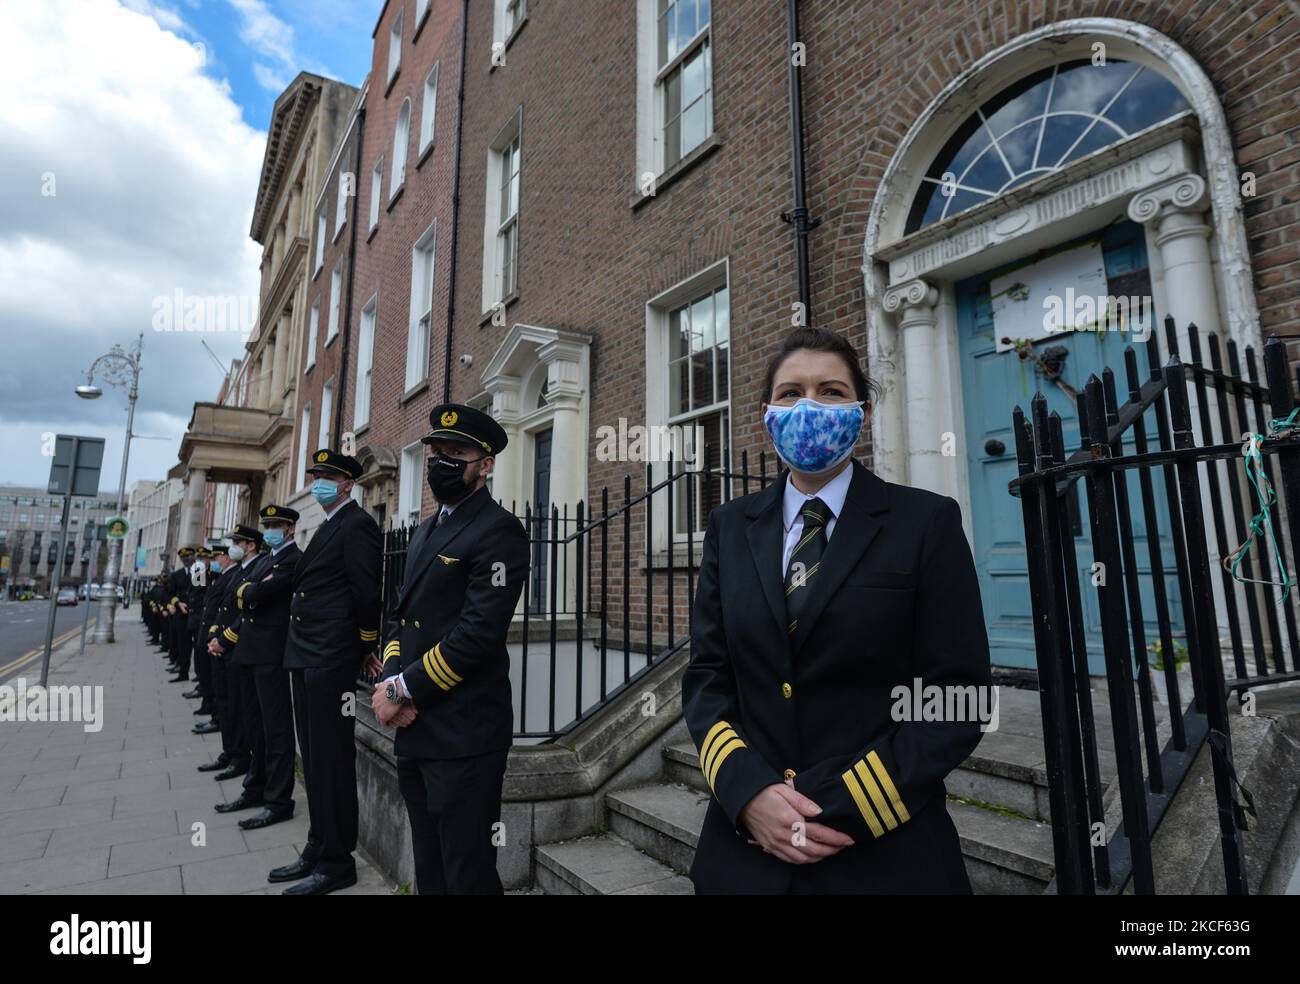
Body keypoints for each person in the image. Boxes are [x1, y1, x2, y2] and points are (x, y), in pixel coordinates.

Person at [682, 327, 992, 894]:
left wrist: (829, 807)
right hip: (745, 854)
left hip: (880, 849)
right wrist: (747, 793)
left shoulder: (925, 523)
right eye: (790, 393)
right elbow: (708, 675)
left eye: (830, 391)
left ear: (862, 412)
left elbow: (956, 696)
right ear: (766, 415)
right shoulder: (730, 527)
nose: (809, 407)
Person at [373, 404, 528, 895]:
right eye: (436, 450)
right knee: (430, 871)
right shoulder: (425, 530)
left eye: (456, 452)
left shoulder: (499, 530)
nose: (441, 460)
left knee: (468, 874)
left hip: (465, 737)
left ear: (485, 464)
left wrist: (401, 688)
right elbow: (402, 618)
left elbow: (477, 634)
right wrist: (390, 679)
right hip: (416, 732)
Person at [271, 450, 381, 895]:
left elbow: (366, 592)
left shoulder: (358, 525)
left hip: (330, 657)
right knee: (314, 760)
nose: (319, 483)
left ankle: (338, 861)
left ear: (348, 484)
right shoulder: (328, 525)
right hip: (306, 654)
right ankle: (318, 845)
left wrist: (365, 646)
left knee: (332, 761)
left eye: (328, 477)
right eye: (316, 476)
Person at [228, 505, 302, 830]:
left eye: (276, 525)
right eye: (267, 524)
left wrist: (251, 590)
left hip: (272, 652)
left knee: (277, 730)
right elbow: (240, 592)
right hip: (250, 650)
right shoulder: (269, 560)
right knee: (255, 726)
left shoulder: (291, 559)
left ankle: (278, 800)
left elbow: (260, 591)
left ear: (289, 529)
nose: (270, 529)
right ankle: (255, 787)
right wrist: (251, 590)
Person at [205, 525, 262, 785]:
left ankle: (240, 757)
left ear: (251, 545)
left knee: (238, 708)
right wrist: (215, 635)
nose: (233, 547)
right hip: (224, 645)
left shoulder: (258, 568)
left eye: (238, 542)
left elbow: (247, 611)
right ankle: (230, 752)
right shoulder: (239, 571)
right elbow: (224, 606)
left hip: (238, 645)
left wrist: (225, 639)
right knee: (225, 702)